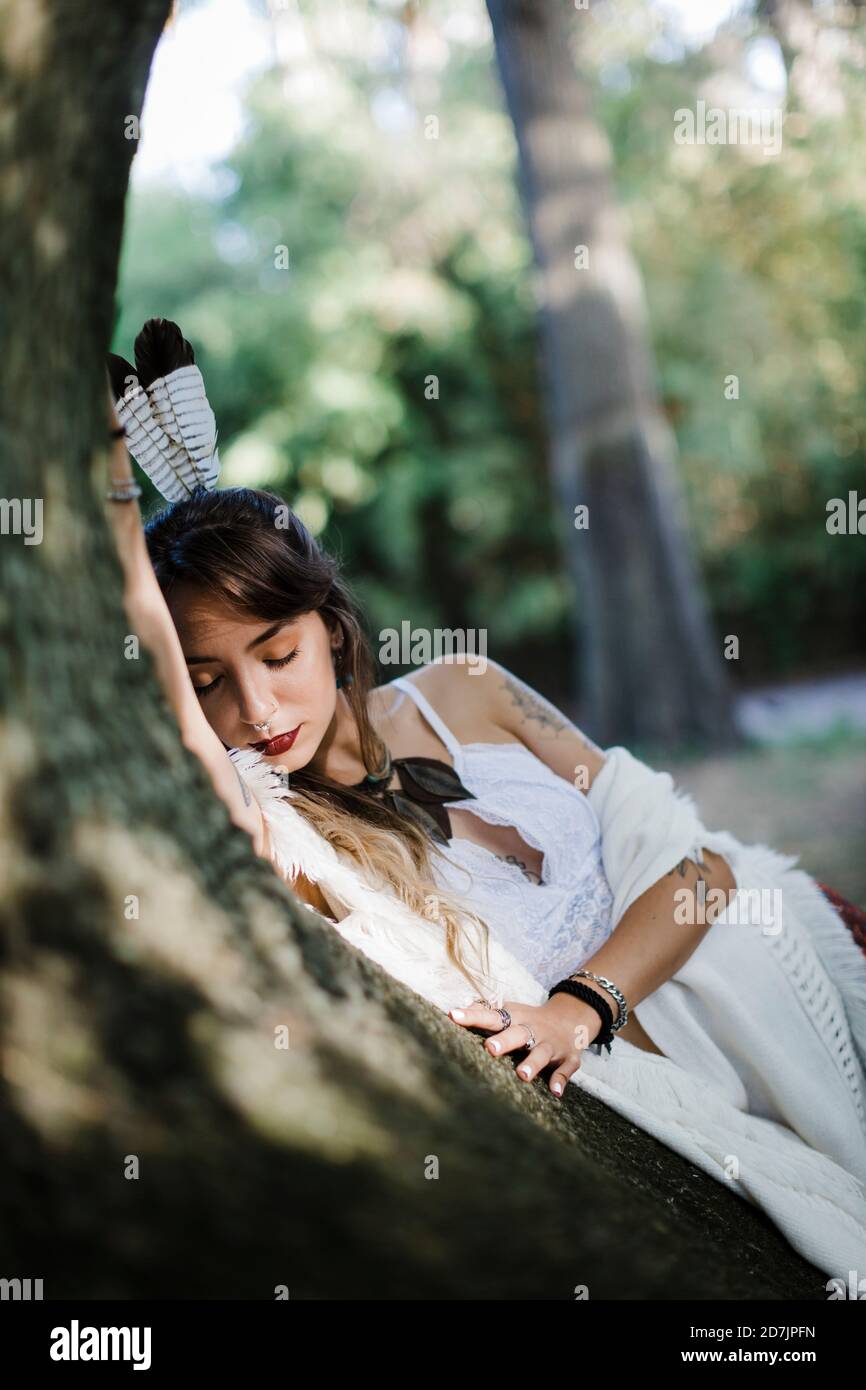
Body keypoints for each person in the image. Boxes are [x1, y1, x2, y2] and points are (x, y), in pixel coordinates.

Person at [103, 322, 866, 1264]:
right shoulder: (288, 834)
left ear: (331, 629)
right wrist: (119, 539)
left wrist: (579, 1007)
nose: (257, 708)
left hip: (781, 965)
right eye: (208, 679)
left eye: (276, 653)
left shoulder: (463, 688)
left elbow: (697, 865)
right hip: (695, 1093)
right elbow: (211, 781)